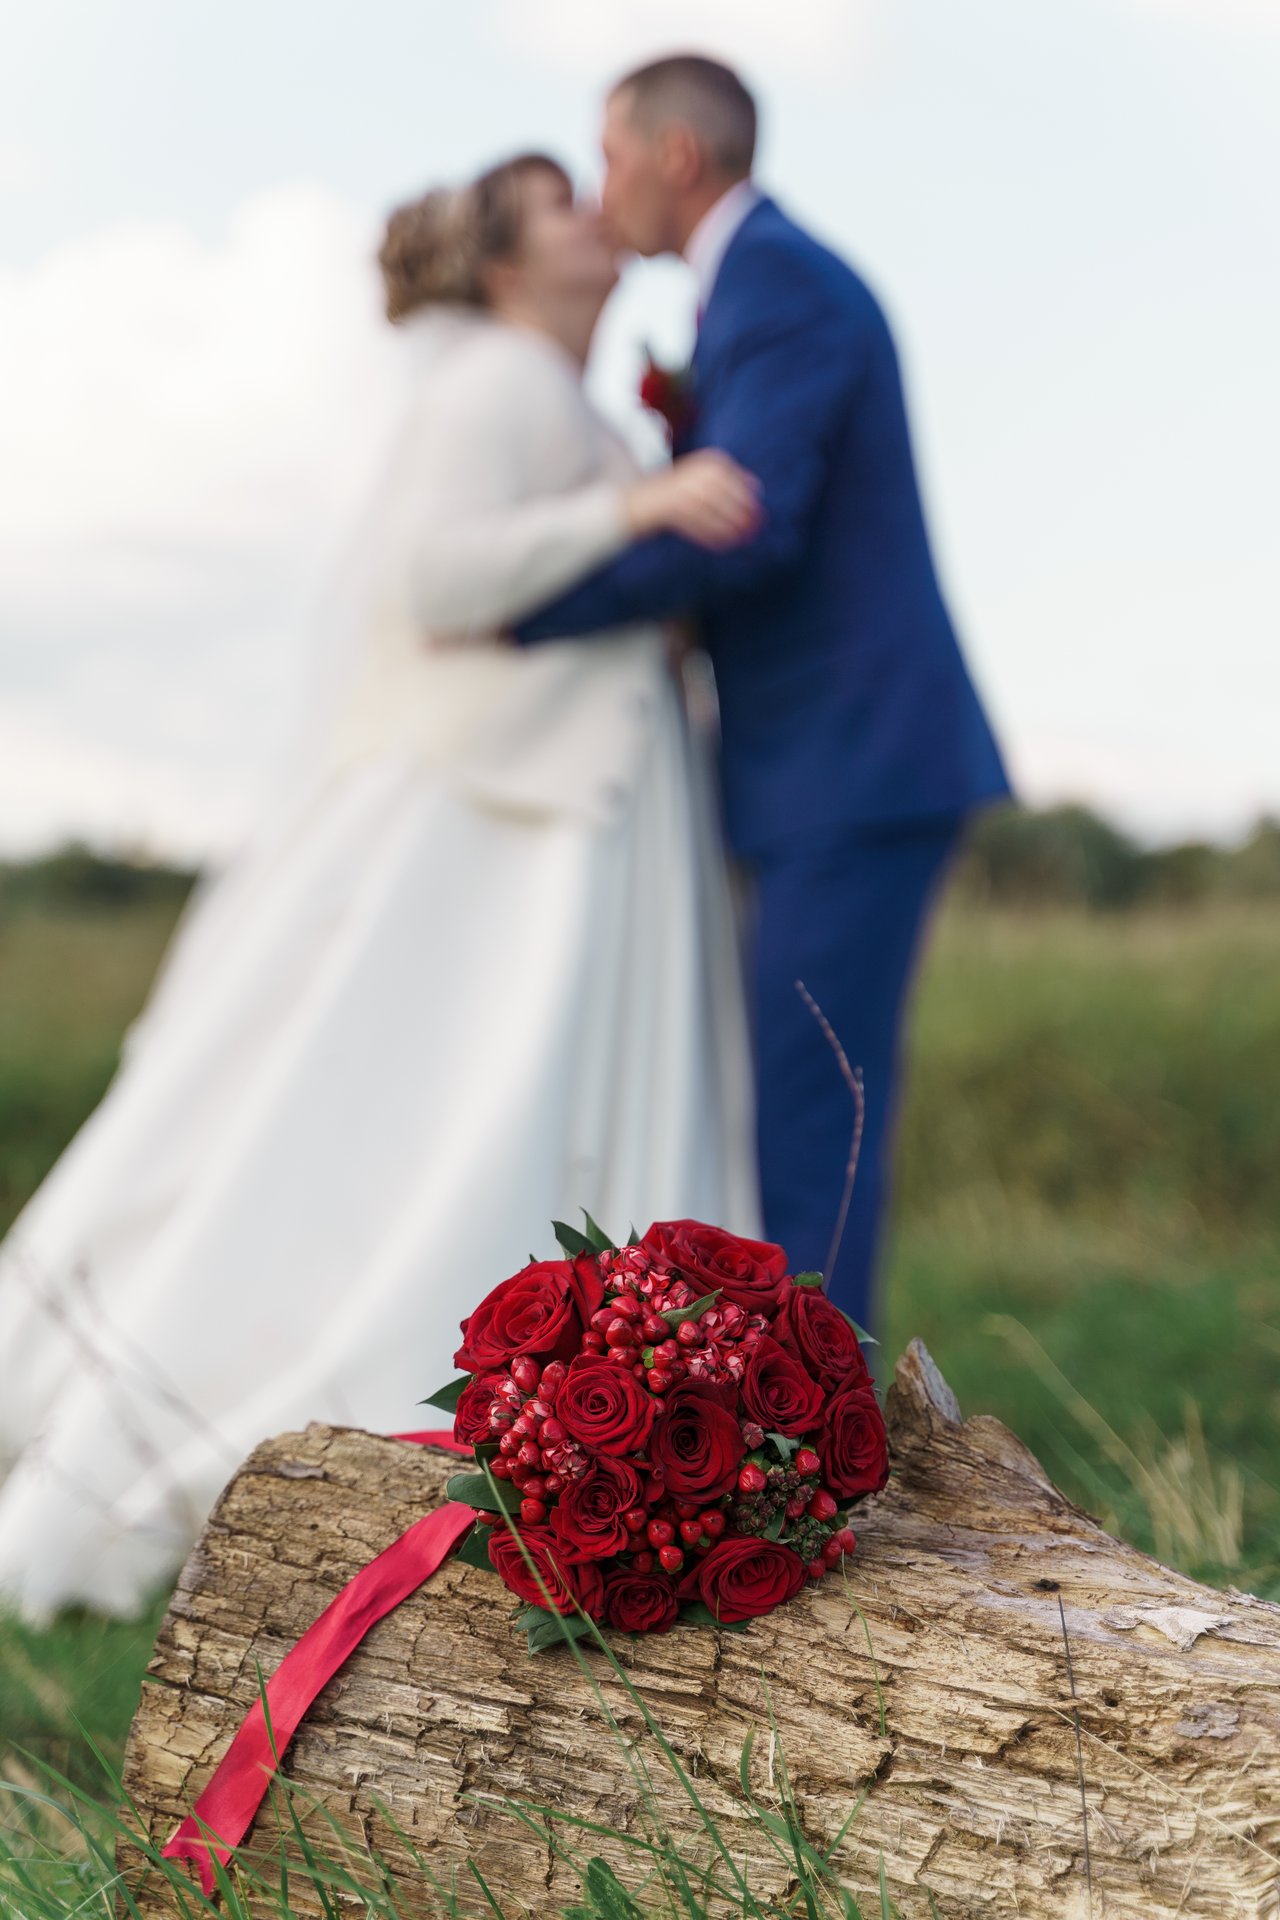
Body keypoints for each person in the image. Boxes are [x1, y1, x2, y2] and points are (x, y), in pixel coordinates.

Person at [0, 153, 762, 1622]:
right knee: (458, 1103)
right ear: (493, 262)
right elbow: (435, 583)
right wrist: (637, 511)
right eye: (556, 204)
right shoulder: (499, 389)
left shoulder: (559, 397)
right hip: (498, 816)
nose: (592, 216)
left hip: (574, 796)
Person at [512, 57, 1011, 1335]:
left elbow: (751, 527)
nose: (599, 183)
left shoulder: (777, 277)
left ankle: (815, 1454)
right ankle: (800, 1431)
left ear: (676, 156)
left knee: (811, 1114)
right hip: (819, 766)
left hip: (850, 764)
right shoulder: (762, 277)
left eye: (611, 154)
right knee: (789, 1106)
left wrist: (525, 608)